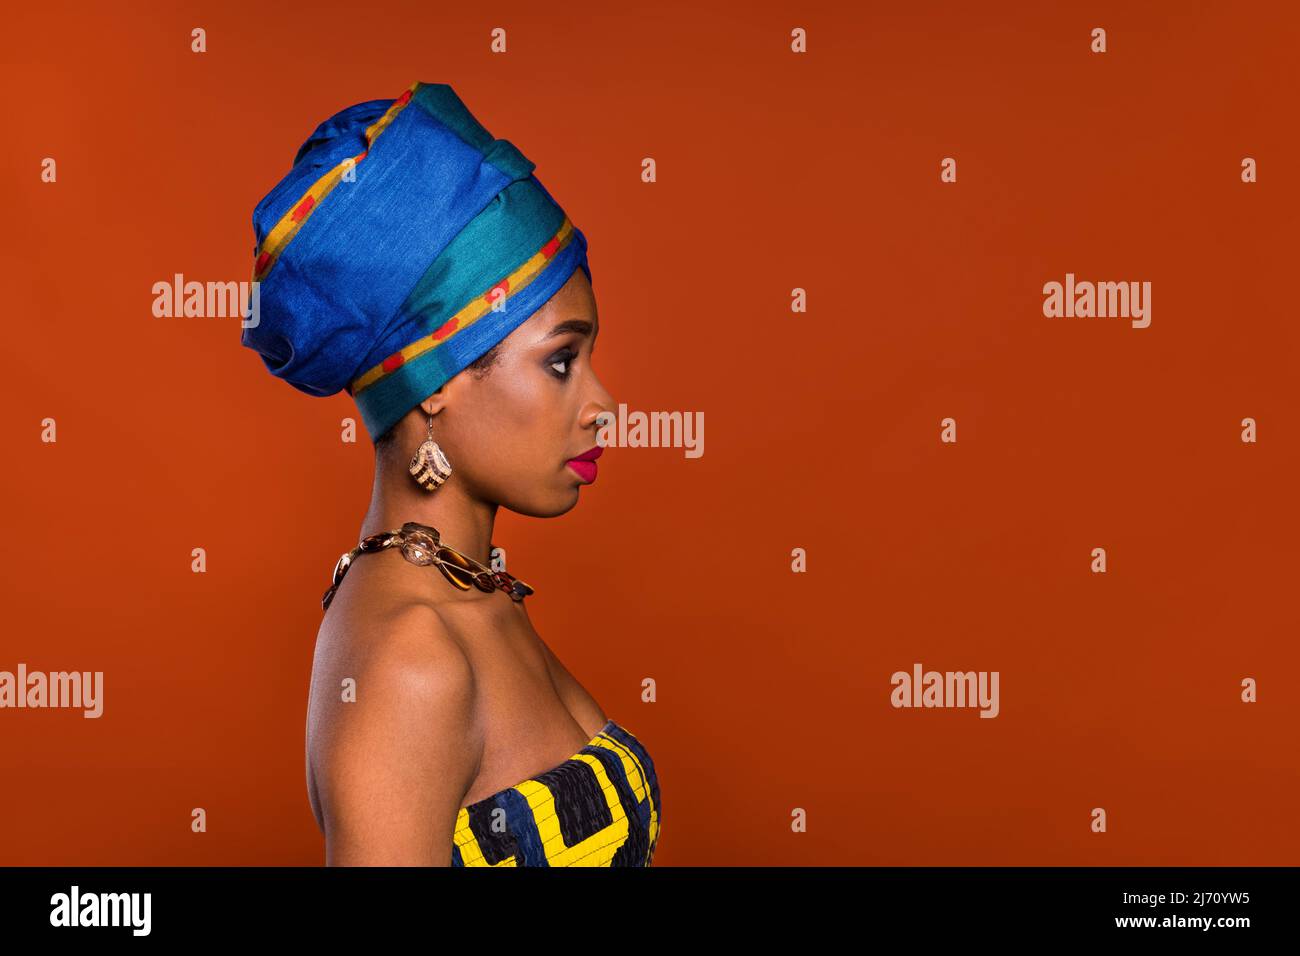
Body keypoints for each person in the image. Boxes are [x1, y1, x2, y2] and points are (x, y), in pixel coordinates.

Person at [242, 81, 661, 866]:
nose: (603, 405)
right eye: (562, 362)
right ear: (434, 383)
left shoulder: (471, 587)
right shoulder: (409, 654)